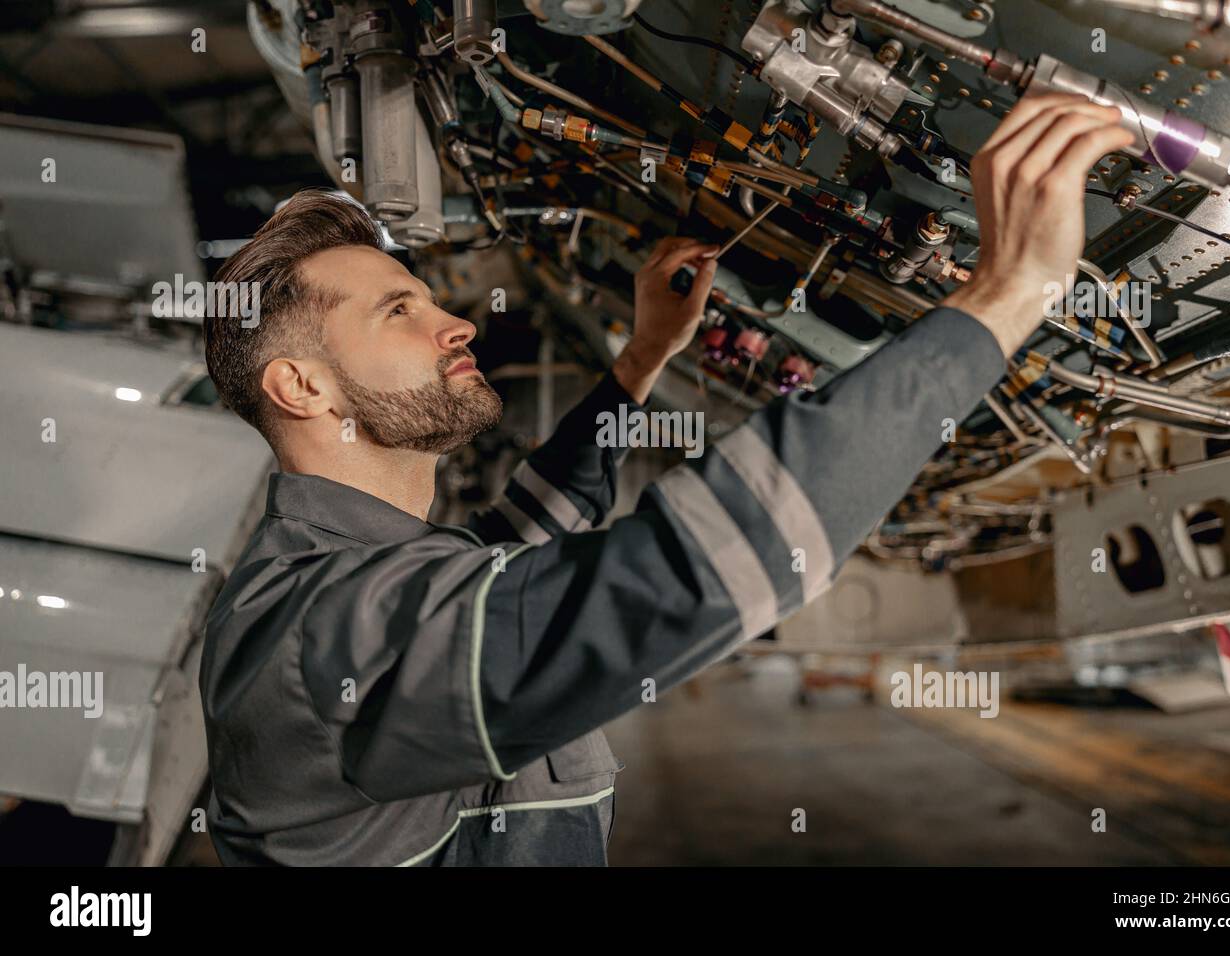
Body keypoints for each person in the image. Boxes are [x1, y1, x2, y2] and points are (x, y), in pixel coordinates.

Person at [199, 93, 1133, 865]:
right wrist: (1005, 294)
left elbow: (531, 529)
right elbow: (682, 577)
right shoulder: (314, 633)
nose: (458, 323)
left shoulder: (370, 577)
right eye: (401, 308)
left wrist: (642, 360)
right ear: (302, 386)